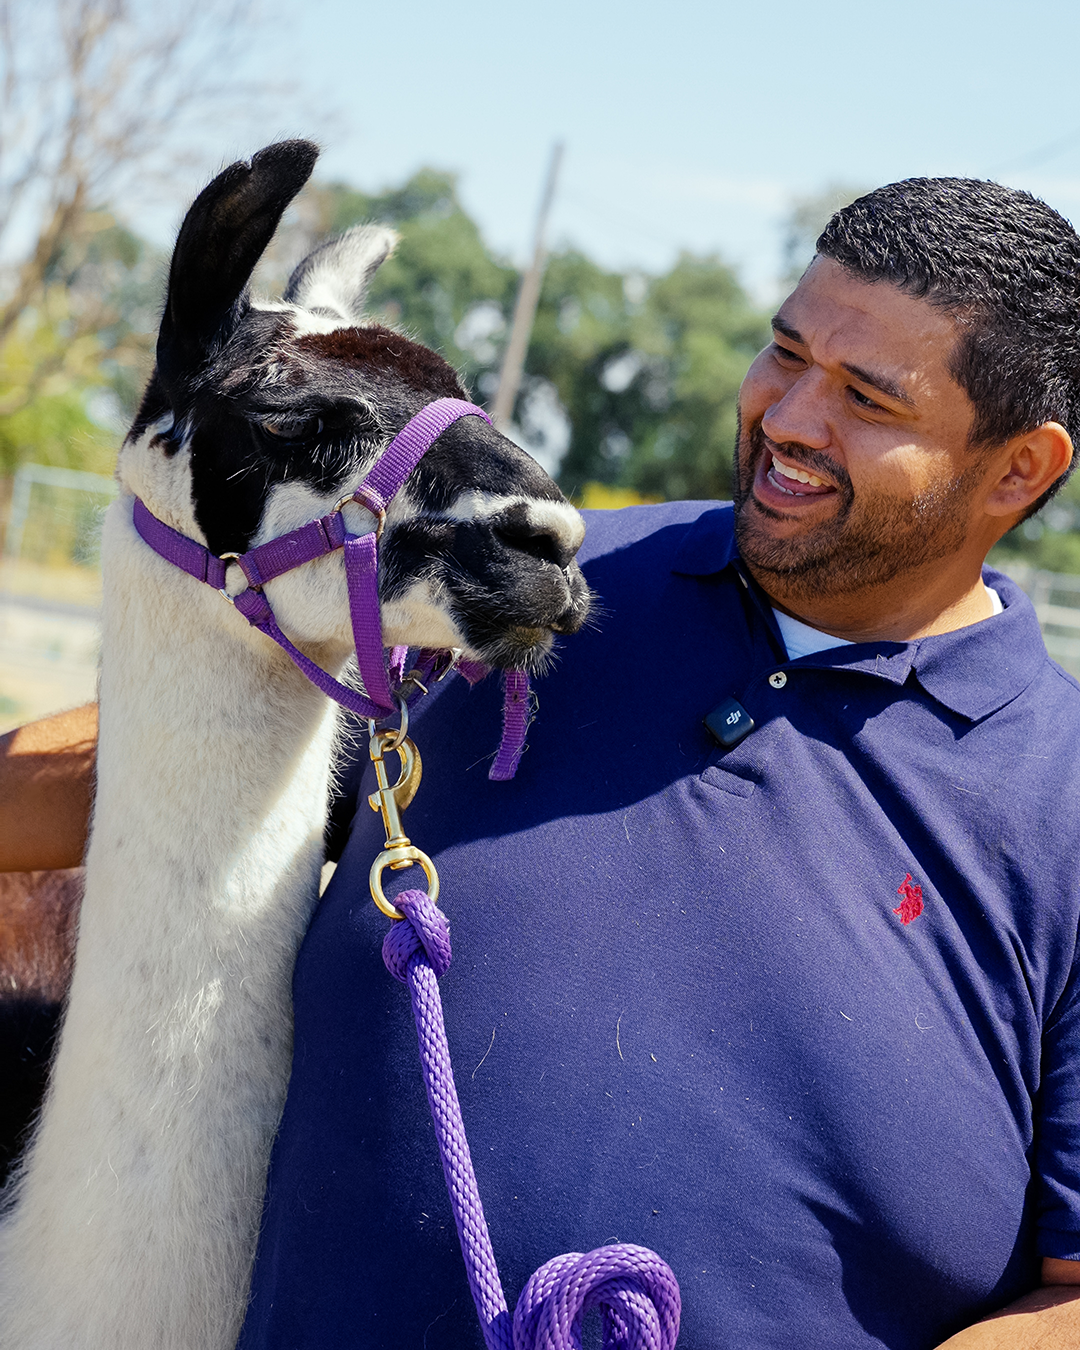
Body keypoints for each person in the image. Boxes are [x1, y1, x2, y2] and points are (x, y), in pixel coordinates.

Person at [6, 177, 1080, 1348]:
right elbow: (202, 742)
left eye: (867, 397)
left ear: (1019, 470)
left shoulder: (1057, 809)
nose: (790, 417)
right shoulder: (539, 583)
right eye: (786, 353)